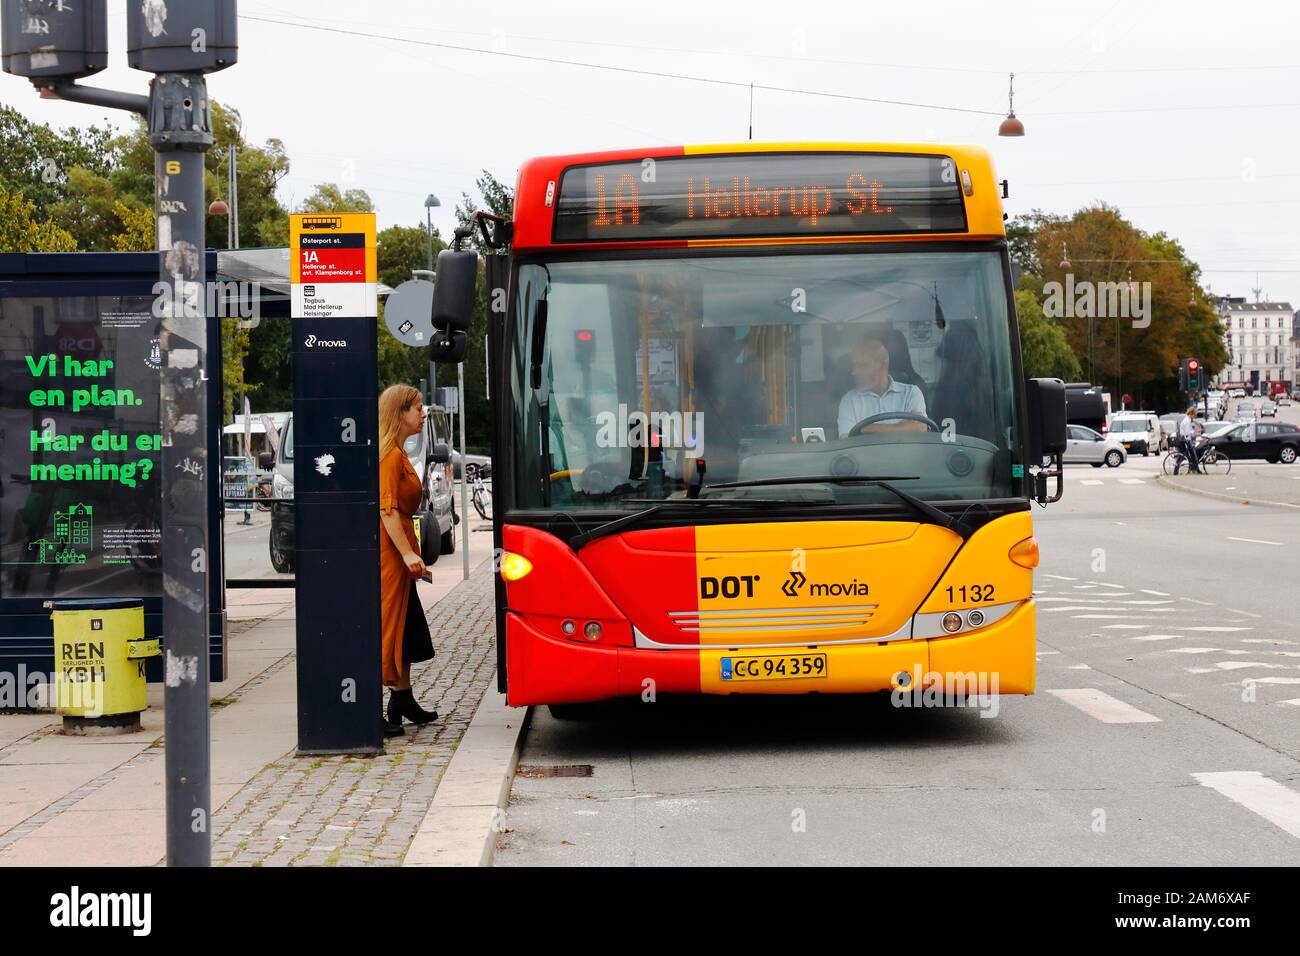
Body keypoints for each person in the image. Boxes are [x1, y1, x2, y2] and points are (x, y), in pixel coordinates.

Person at [378, 384, 438, 737]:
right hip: (390, 554)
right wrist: (407, 553)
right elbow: (387, 512)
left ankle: (402, 698)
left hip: (397, 553)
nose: (423, 414)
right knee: (389, 626)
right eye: (417, 408)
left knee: (407, 625)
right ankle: (375, 705)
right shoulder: (388, 456)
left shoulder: (395, 453)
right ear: (399, 413)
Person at [837, 335, 928, 438]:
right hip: (865, 455)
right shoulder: (849, 400)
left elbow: (920, 429)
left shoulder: (911, 393)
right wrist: (902, 427)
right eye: (854, 365)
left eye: (862, 365)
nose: (854, 372)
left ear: (882, 366)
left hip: (906, 454)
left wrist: (864, 428)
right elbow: (847, 439)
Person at [1177, 405, 1201, 474]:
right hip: (1186, 440)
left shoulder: (1187, 420)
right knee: (1193, 455)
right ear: (1191, 414)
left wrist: (1194, 433)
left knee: (1183, 456)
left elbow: (1189, 430)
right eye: (1194, 415)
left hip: (1184, 439)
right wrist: (1195, 434)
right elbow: (1188, 432)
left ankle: (1195, 470)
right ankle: (1197, 470)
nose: (1195, 416)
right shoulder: (1187, 421)